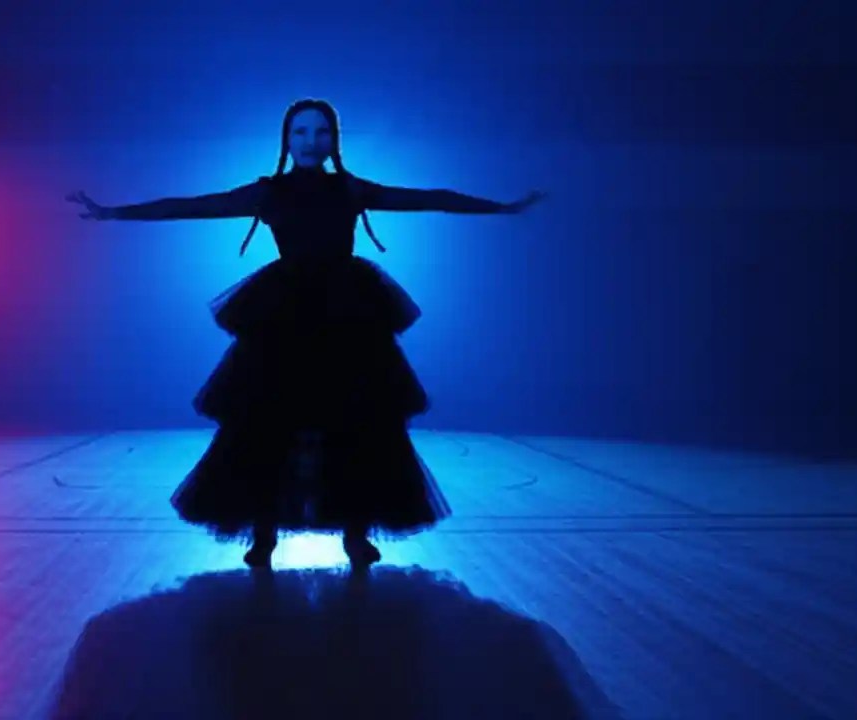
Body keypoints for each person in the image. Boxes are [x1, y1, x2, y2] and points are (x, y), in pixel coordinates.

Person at [67, 98, 544, 569]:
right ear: (286, 139)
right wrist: (111, 213)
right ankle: (264, 535)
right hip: (283, 315)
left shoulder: (351, 189)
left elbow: (429, 198)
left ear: (333, 139)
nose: (310, 141)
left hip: (349, 315)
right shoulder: (268, 192)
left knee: (358, 422)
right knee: (268, 422)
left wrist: (501, 208)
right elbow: (191, 206)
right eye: (300, 132)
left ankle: (356, 536)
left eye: (320, 132)